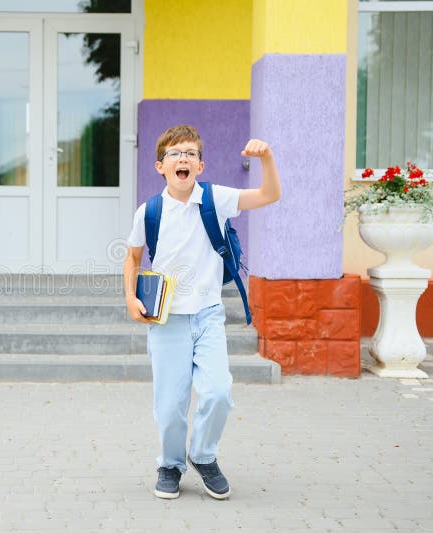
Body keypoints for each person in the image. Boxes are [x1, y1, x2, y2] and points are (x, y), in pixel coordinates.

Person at [123, 124, 280, 500]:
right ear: (160, 166)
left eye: (190, 153)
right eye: (175, 154)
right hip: (166, 320)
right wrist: (130, 297)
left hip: (208, 315)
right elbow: (132, 257)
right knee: (170, 405)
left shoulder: (216, 199)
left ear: (200, 165)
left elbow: (270, 194)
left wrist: (267, 158)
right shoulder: (150, 211)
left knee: (218, 392)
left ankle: (203, 455)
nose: (183, 158)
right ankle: (170, 465)